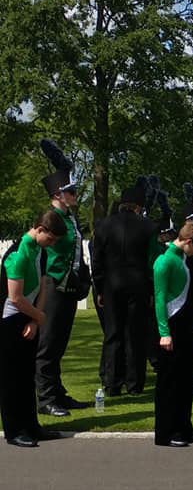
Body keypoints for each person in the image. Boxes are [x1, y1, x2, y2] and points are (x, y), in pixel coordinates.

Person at [1, 210, 65, 447]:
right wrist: (39, 316)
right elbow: (15, 297)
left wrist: (36, 320)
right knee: (11, 378)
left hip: (30, 318)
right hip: (11, 320)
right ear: (39, 229)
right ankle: (14, 430)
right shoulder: (18, 254)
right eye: (51, 239)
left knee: (28, 375)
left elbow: (43, 286)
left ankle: (31, 425)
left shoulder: (41, 251)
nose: (52, 244)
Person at [92, 184, 163, 396]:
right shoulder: (149, 227)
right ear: (138, 207)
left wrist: (100, 287)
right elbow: (153, 261)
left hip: (111, 285)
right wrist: (151, 290)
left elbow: (97, 260)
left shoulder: (103, 225)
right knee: (136, 334)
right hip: (138, 285)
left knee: (112, 334)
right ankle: (134, 383)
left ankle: (112, 383)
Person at [35, 155, 86, 417]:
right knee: (48, 344)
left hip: (68, 288)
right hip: (54, 286)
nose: (76, 195)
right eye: (72, 191)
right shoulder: (53, 217)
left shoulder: (69, 218)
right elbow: (50, 254)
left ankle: (57, 393)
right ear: (59, 194)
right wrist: (65, 277)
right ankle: (45, 399)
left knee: (59, 343)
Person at [153, 219, 193, 447]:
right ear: (187, 241)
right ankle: (167, 432)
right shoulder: (164, 262)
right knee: (169, 382)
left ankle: (184, 427)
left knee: (186, 381)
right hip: (171, 327)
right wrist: (164, 332)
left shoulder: (184, 259)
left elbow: (192, 298)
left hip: (185, 326)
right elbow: (159, 298)